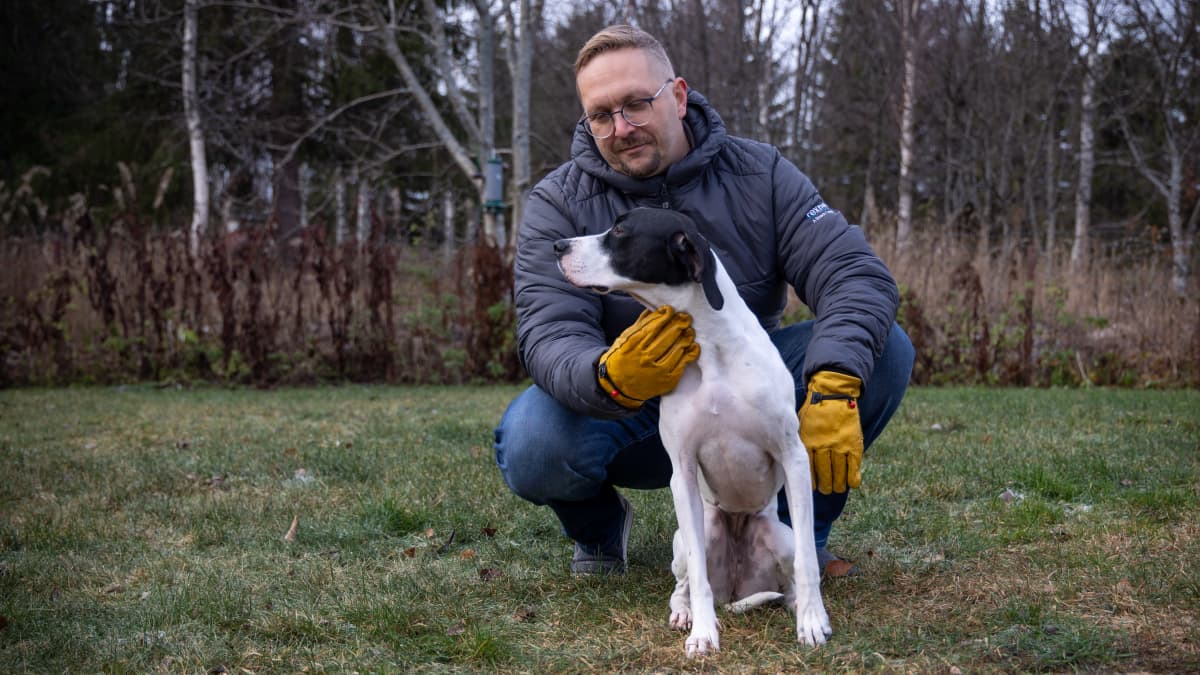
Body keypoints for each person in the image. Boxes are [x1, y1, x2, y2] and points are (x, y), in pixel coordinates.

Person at [493, 24, 914, 576]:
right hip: (631, 406)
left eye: (637, 104)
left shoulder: (759, 174)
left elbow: (854, 274)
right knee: (531, 440)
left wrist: (835, 379)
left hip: (746, 391)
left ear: (679, 95)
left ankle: (793, 538)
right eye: (601, 115)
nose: (621, 128)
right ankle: (598, 532)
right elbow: (549, 334)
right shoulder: (559, 203)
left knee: (881, 352)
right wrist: (607, 376)